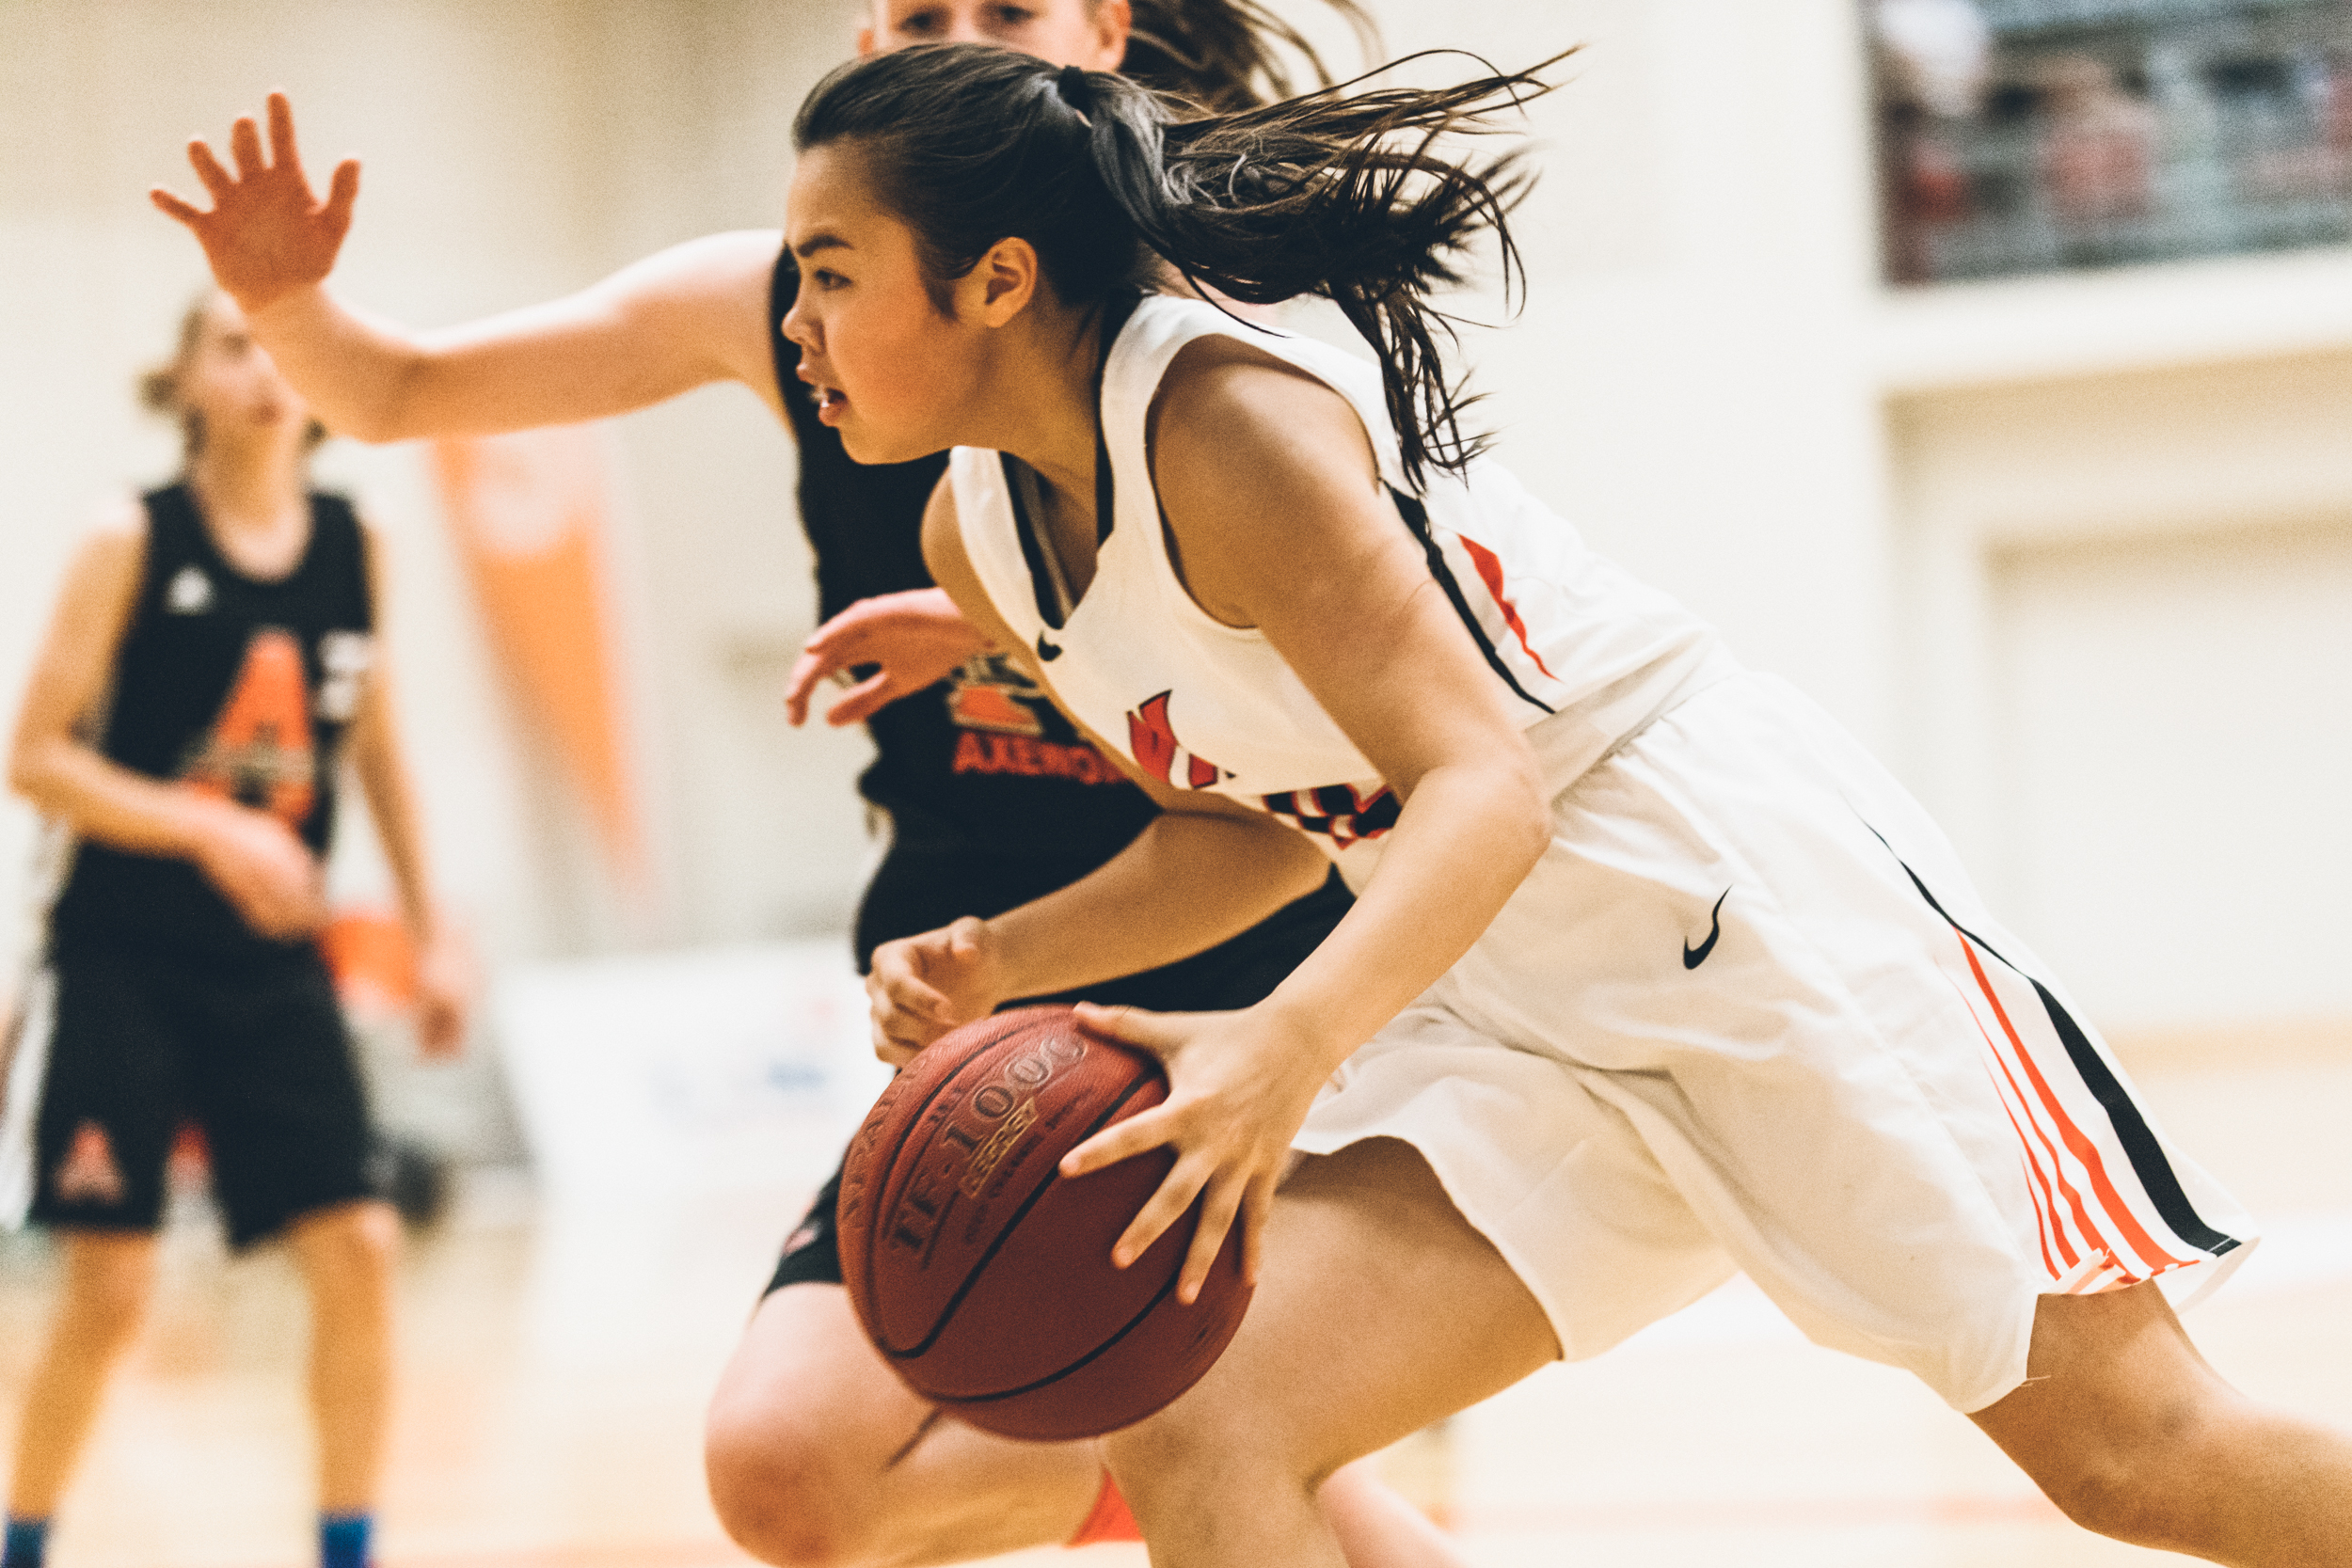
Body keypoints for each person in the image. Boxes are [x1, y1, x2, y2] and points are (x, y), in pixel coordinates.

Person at [748, 43, 2352, 1566]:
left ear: (998, 281)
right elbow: (1250, 825)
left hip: (1721, 896)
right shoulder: (979, 535)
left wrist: (1284, 1047)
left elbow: (1488, 781)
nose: (791, 322)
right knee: (1202, 1410)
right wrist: (1003, 959)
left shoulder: (1224, 426)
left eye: (828, 270)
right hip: (1504, 980)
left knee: (2142, 1459)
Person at [149, 7, 1470, 1566]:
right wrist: (293, 306)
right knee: (786, 1471)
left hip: (1244, 971)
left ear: (1101, 35)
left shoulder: (1225, 344)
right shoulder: (792, 303)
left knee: (1229, 1442)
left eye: (1007, 12)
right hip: (985, 992)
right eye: (925, 17)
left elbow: (1386, 741)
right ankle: (1225, 1454)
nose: (963, 36)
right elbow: (400, 391)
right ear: (868, 40)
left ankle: (1242, 1450)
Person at [0, 293, 469, 1568]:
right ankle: (22, 1542)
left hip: (273, 967)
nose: (266, 368)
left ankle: (347, 1547)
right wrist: (213, 829)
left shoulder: (355, 544)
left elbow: (376, 744)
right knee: (108, 1291)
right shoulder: (130, 539)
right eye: (234, 343)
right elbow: (33, 758)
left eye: (286, 344)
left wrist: (436, 928)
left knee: (362, 1248)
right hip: (122, 957)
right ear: (185, 379)